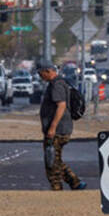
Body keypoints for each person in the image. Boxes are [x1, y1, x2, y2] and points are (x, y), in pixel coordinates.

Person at [36, 59, 85, 191]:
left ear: (48, 71)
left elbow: (61, 106)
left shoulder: (56, 85)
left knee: (51, 162)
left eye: (41, 73)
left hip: (58, 130)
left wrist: (52, 128)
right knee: (55, 159)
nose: (40, 76)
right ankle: (75, 182)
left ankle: (57, 188)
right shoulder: (58, 83)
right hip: (60, 129)